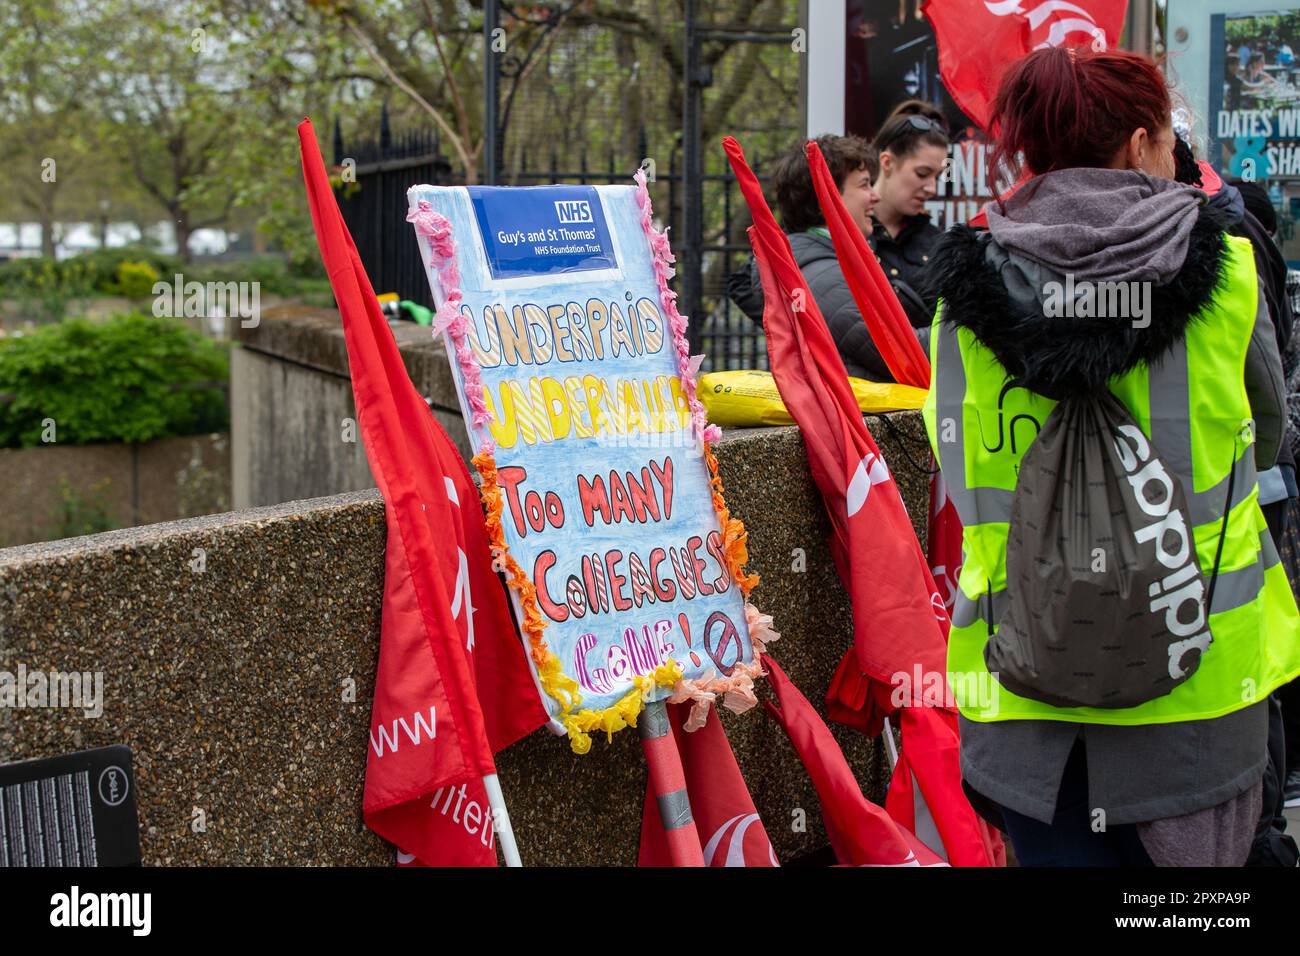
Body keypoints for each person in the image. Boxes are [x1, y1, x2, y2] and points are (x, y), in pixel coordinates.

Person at [923, 46, 1300, 866]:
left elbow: (950, 454)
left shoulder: (961, 291)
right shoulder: (1227, 267)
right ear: (1137, 145)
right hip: (1196, 705)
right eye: (1167, 138)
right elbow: (1266, 436)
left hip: (1022, 697)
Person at [727, 134, 930, 381]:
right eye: (864, 184)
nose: (875, 196)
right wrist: (970, 321)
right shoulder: (822, 277)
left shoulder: (818, 265)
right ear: (827, 195)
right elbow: (907, 356)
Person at [869, 100, 948, 298]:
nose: (932, 188)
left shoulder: (936, 243)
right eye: (922, 173)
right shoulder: (843, 233)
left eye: (937, 177)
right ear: (887, 162)